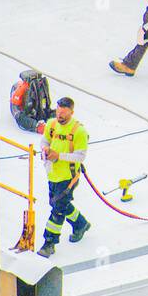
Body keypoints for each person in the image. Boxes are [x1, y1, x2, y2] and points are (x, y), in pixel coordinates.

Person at [36, 97, 90, 259]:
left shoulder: (79, 131)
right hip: (52, 173)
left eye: (64, 110)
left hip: (68, 178)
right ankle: (81, 224)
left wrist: (58, 155)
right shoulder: (51, 124)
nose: (60, 113)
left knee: (57, 210)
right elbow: (45, 140)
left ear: (71, 112)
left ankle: (49, 243)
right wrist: (45, 149)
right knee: (61, 204)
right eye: (58, 109)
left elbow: (80, 157)